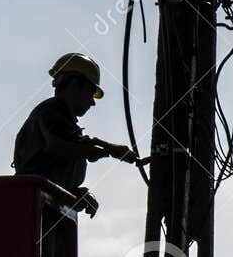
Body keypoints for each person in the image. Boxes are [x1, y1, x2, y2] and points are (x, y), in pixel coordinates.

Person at [12, 53, 139, 215]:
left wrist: (75, 193)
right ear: (74, 84)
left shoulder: (60, 119)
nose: (93, 102)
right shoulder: (52, 110)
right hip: (31, 207)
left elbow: (67, 151)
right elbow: (61, 146)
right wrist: (109, 150)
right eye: (91, 91)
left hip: (43, 207)